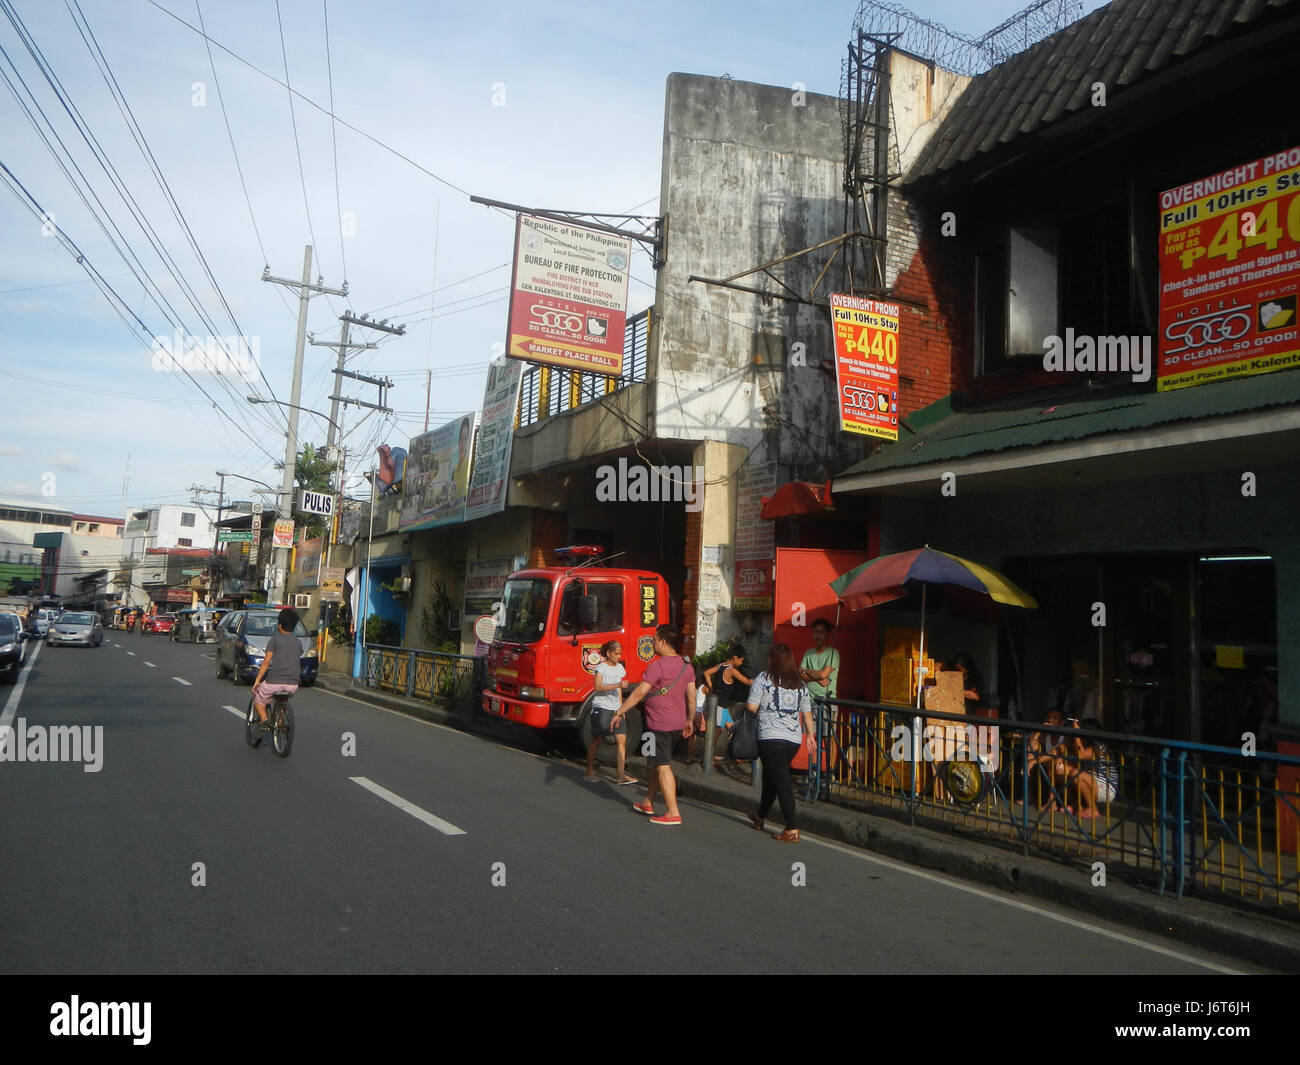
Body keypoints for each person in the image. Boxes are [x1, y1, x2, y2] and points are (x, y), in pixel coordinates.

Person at [611, 625, 695, 826]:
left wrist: (620, 711)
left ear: (663, 642)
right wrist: (690, 720)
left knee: (663, 765)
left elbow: (640, 692)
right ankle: (648, 801)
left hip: (660, 724)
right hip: (677, 723)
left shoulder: (658, 666)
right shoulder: (687, 667)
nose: (653, 643)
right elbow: (691, 698)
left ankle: (672, 811)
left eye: (655, 640)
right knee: (655, 763)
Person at [745, 643, 816, 843]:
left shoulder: (764, 678)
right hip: (793, 740)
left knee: (782, 782)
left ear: (772, 660)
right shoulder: (800, 684)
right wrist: (810, 736)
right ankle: (760, 816)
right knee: (771, 777)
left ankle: (791, 829)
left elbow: (751, 706)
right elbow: (807, 713)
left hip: (770, 737)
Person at [584, 640, 636, 786]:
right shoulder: (601, 668)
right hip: (601, 708)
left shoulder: (620, 668)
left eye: (620, 653)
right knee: (597, 741)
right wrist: (618, 684)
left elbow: (619, 691)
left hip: (615, 709)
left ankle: (620, 775)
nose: (619, 656)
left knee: (621, 741)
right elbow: (598, 687)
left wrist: (621, 709)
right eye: (616, 653)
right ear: (608, 653)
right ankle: (589, 772)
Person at [250, 608, 303, 727]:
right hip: (293, 684)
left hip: (274, 683)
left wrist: (257, 680)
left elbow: (266, 662)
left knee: (258, 700)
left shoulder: (274, 640)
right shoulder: (298, 642)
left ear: (279, 625)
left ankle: (264, 719)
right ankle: (280, 722)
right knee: (283, 699)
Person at [704, 645, 753, 764]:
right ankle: (709, 755)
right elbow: (746, 681)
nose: (741, 663)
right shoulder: (731, 670)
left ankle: (735, 753)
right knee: (719, 729)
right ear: (735, 658)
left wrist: (711, 688)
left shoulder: (720, 665)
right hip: (720, 705)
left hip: (722, 704)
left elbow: (706, 673)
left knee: (732, 729)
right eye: (741, 660)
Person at [1068, 717, 1119, 818]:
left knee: (1075, 774)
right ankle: (1076, 805)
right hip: (1092, 781)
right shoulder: (1086, 745)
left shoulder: (1101, 747)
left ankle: (1093, 809)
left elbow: (1080, 755)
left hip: (1105, 787)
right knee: (1063, 769)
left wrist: (1076, 734)